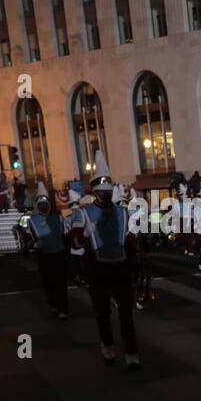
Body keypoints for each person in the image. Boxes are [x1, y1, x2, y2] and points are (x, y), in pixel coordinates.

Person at [69, 151, 141, 367]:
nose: (105, 194)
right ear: (94, 190)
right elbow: (74, 245)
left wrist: (138, 253)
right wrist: (84, 235)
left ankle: (131, 352)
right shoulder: (82, 212)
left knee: (127, 313)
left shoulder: (122, 211)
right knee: (102, 312)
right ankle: (107, 345)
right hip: (97, 268)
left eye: (108, 190)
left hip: (120, 267)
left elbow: (128, 239)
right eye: (101, 190)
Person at [26, 182, 69, 317]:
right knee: (48, 282)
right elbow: (29, 239)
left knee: (61, 283)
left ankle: (63, 309)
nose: (44, 206)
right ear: (37, 205)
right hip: (44, 255)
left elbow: (65, 235)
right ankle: (53, 304)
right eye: (41, 204)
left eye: (45, 203)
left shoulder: (59, 218)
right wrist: (33, 245)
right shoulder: (32, 220)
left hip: (59, 254)